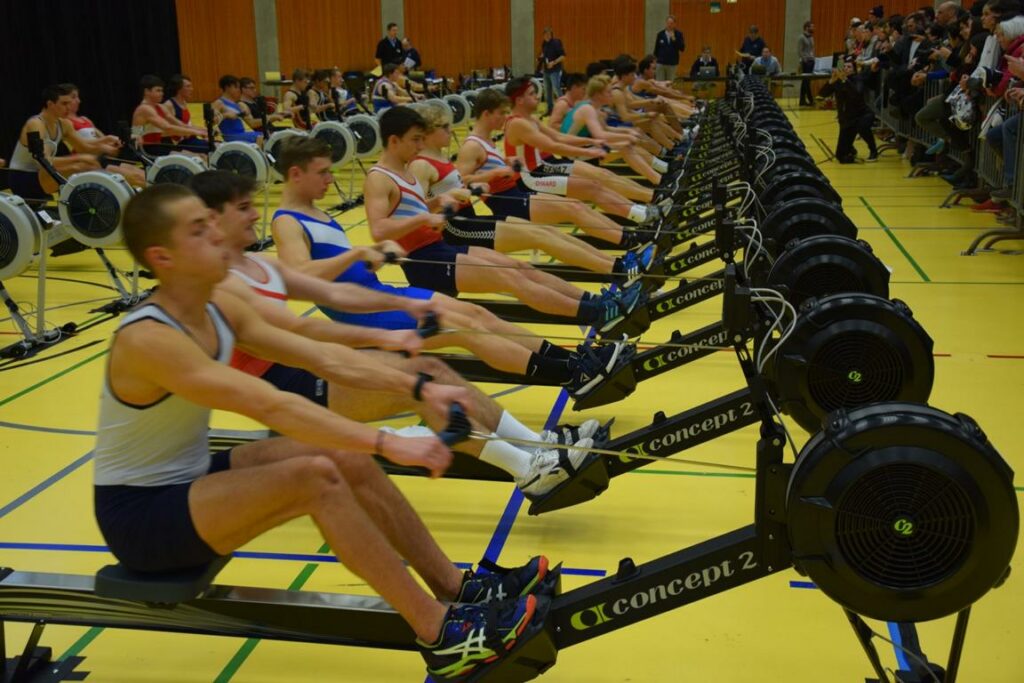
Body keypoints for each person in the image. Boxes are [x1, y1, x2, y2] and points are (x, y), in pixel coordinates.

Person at [97, 182, 549, 680]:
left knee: (344, 457)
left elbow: (321, 356)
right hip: (141, 515)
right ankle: (441, 635)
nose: (218, 235)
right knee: (316, 477)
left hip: (191, 475)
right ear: (162, 257)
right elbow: (269, 403)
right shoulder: (149, 338)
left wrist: (419, 388)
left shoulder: (218, 306)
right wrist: (389, 442)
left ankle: (456, 588)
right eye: (199, 231)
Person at [190, 169, 604, 496]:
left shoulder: (260, 265)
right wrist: (386, 340)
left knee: (433, 371)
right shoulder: (219, 285)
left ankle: (538, 447)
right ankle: (527, 470)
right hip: (288, 390)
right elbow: (294, 332)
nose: (255, 214)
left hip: (311, 367)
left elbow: (333, 293)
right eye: (243, 208)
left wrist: (408, 305)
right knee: (418, 385)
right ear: (212, 219)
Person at [270, 135, 636, 401]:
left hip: (382, 297)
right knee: (464, 329)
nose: (331, 180)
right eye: (322, 173)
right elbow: (298, 278)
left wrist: (368, 254)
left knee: (477, 314)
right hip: (363, 315)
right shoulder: (287, 221)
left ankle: (573, 360)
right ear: (296, 174)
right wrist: (357, 254)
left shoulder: (315, 213)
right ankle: (571, 375)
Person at [363, 106, 646, 333]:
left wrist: (437, 202)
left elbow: (414, 208)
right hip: (426, 258)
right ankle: (599, 311)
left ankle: (597, 302)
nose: (421, 143)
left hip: (439, 247)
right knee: (511, 277)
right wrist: (431, 213)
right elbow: (379, 229)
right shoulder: (384, 176)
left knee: (520, 268)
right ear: (394, 140)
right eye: (416, 139)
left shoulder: (406, 171)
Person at [410, 99, 657, 279]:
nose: (450, 130)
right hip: (459, 229)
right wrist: (453, 195)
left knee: (549, 231)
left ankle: (619, 262)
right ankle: (621, 266)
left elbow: (461, 182)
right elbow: (418, 212)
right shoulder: (423, 164)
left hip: (471, 219)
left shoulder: (441, 156)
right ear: (429, 132)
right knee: (543, 237)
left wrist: (492, 173)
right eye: (444, 127)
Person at [456, 87, 639, 248]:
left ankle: (629, 236)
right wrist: (496, 172)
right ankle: (629, 240)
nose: (505, 117)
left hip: (513, 194)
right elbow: (461, 182)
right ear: (486, 114)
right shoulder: (471, 146)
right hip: (505, 202)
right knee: (573, 210)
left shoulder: (487, 140)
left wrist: (505, 162)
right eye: (501, 113)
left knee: (576, 206)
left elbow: (485, 169)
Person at [502, 77, 663, 228]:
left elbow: (559, 137)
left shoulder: (531, 119)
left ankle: (644, 209)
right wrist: (591, 152)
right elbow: (553, 146)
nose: (537, 97)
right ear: (519, 100)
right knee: (591, 187)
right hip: (529, 178)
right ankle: (644, 212)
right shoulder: (518, 124)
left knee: (598, 181)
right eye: (532, 94)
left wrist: (591, 142)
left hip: (542, 167)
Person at [8, 83, 120, 199]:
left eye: (69, 103)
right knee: (79, 167)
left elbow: (83, 147)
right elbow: (42, 161)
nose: (69, 107)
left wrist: (107, 144)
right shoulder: (36, 124)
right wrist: (79, 158)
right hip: (23, 177)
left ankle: (96, 198)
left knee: (88, 164)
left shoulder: (64, 124)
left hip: (42, 173)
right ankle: (95, 198)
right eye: (64, 104)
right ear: (50, 104)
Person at [558, 75, 666, 184]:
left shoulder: (594, 106)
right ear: (598, 94)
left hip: (581, 145)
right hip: (571, 153)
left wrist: (628, 131)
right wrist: (628, 136)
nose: (612, 94)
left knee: (627, 144)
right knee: (624, 146)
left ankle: (662, 172)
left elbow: (606, 129)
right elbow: (600, 135)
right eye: (608, 92)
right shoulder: (588, 109)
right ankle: (660, 179)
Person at [63, 83, 146, 188]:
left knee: (142, 174)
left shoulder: (85, 119)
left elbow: (103, 138)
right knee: (137, 177)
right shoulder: (65, 123)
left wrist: (119, 142)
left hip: (102, 157)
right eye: (73, 97)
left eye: (78, 97)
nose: (78, 101)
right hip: (89, 162)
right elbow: (82, 145)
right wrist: (106, 143)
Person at [818, 57, 879, 163]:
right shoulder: (838, 81)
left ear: (854, 70)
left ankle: (873, 150)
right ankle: (850, 149)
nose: (846, 68)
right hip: (847, 119)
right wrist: (831, 81)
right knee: (841, 156)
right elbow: (822, 94)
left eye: (849, 67)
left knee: (862, 127)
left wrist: (845, 80)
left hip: (862, 114)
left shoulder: (858, 79)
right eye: (844, 66)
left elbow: (856, 94)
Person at [132, 75, 208, 157]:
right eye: (158, 90)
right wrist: (196, 132)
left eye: (162, 91)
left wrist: (201, 130)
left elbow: (180, 124)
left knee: (201, 156)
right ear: (147, 91)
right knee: (195, 158)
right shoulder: (144, 109)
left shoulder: (160, 106)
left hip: (160, 145)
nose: (162, 93)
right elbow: (168, 127)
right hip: (147, 149)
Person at [212, 75, 262, 144]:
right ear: (227, 88)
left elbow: (249, 120)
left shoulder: (235, 103)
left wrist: (246, 112)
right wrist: (225, 115)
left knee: (265, 134)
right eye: (236, 87)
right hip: (231, 136)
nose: (239, 90)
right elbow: (210, 122)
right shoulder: (219, 103)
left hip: (241, 133)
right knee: (260, 136)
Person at [539, 27, 566, 115]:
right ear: (543, 35)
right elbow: (544, 54)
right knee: (547, 91)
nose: (547, 36)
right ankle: (550, 109)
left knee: (556, 89)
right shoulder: (544, 43)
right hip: (546, 70)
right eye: (545, 34)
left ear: (551, 35)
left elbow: (563, 56)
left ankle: (565, 109)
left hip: (555, 70)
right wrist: (540, 58)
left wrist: (553, 63)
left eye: (548, 34)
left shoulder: (556, 43)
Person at [653, 15, 686, 82]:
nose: (669, 25)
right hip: (660, 63)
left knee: (669, 83)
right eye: (668, 23)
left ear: (675, 24)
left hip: (672, 63)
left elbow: (682, 48)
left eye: (671, 23)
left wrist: (674, 40)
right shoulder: (660, 34)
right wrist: (654, 61)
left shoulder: (678, 34)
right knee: (660, 83)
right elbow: (656, 49)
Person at [798, 22, 817, 106]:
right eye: (812, 27)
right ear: (806, 28)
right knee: (805, 81)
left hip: (811, 60)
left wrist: (813, 58)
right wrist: (804, 59)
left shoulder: (811, 37)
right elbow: (799, 50)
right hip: (806, 61)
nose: (813, 28)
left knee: (807, 81)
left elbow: (812, 48)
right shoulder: (801, 37)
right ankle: (806, 99)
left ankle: (806, 100)